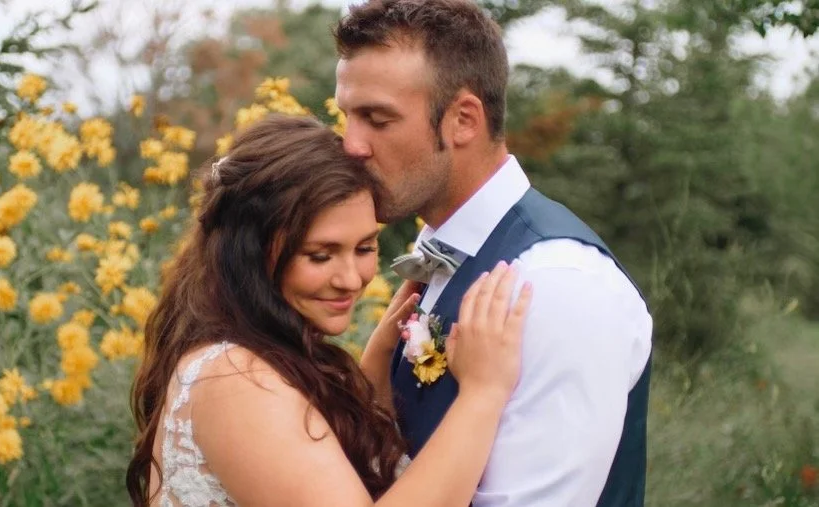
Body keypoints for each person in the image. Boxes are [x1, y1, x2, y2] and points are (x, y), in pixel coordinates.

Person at [333, 0, 654, 506]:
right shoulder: (437, 251)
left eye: (377, 119)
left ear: (463, 120)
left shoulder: (559, 285)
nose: (351, 144)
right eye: (347, 115)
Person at [125, 114, 534, 506]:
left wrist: (375, 364)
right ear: (249, 255)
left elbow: (315, 454)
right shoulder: (234, 379)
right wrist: (483, 393)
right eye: (321, 256)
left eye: (365, 248)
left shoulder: (254, 355)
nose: (352, 279)